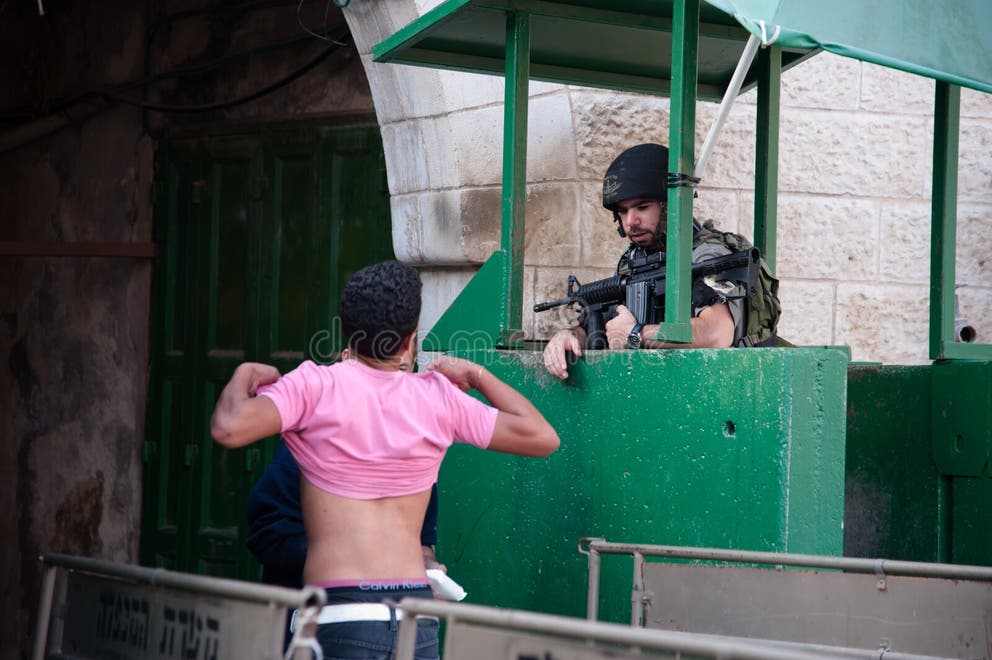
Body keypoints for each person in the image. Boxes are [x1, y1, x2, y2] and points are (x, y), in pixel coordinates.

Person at [211, 259, 559, 660]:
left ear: (347, 331)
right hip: (416, 618)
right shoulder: (437, 397)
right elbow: (543, 437)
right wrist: (477, 375)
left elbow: (228, 427)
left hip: (342, 615)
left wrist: (245, 374)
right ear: (410, 339)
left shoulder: (314, 386)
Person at [543, 143, 751, 379]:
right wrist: (569, 336)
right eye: (622, 211)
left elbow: (716, 334)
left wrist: (636, 334)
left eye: (642, 207)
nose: (631, 221)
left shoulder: (706, 255)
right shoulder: (634, 259)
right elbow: (608, 323)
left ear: (669, 206)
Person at [245, 442, 444, 590]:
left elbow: (422, 543)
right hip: (314, 618)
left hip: (397, 622)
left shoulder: (420, 455)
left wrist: (427, 565)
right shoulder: (312, 440)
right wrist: (352, 560)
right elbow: (267, 533)